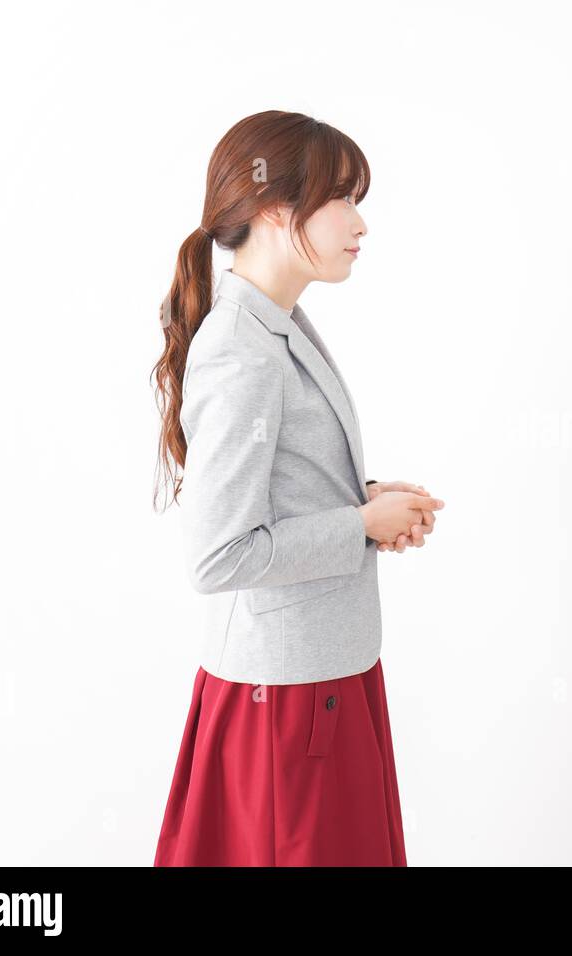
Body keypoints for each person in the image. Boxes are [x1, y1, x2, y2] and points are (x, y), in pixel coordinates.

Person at [149, 110, 444, 866]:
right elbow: (218, 557)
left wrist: (368, 502)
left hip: (320, 681)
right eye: (344, 198)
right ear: (278, 212)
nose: (361, 223)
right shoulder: (241, 348)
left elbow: (272, 485)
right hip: (284, 704)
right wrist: (361, 527)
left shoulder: (278, 322)